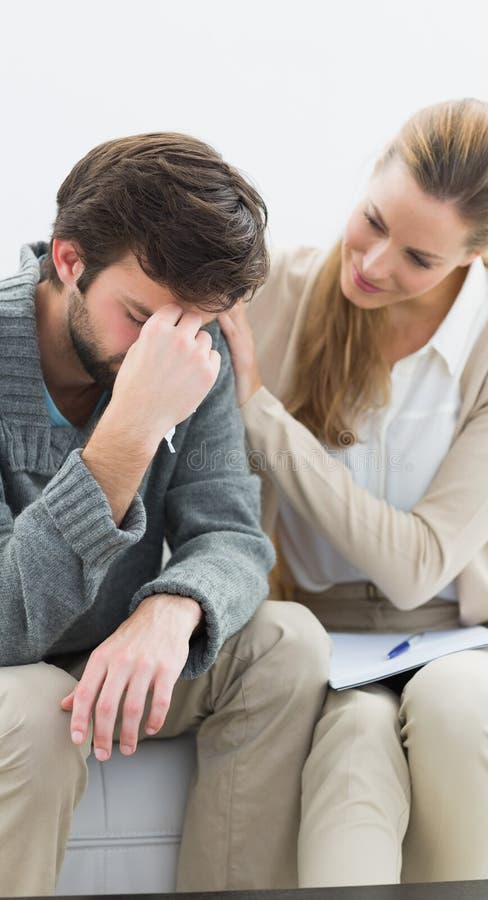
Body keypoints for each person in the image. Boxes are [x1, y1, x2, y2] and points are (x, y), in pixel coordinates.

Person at [219, 98, 488, 886]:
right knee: (355, 739)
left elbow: (417, 568)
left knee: (454, 703)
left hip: (486, 637)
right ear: (370, 177)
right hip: (332, 639)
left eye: (419, 258)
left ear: (476, 254)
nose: (375, 263)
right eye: (373, 220)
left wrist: (262, 413)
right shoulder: (276, 291)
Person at [0, 132, 331, 896]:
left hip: (110, 653)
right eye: (140, 317)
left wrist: (173, 608)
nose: (168, 350)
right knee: (35, 713)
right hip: (12, 670)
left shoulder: (190, 345)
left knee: (288, 645)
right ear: (69, 259)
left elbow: (232, 537)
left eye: (192, 326)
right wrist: (129, 431)